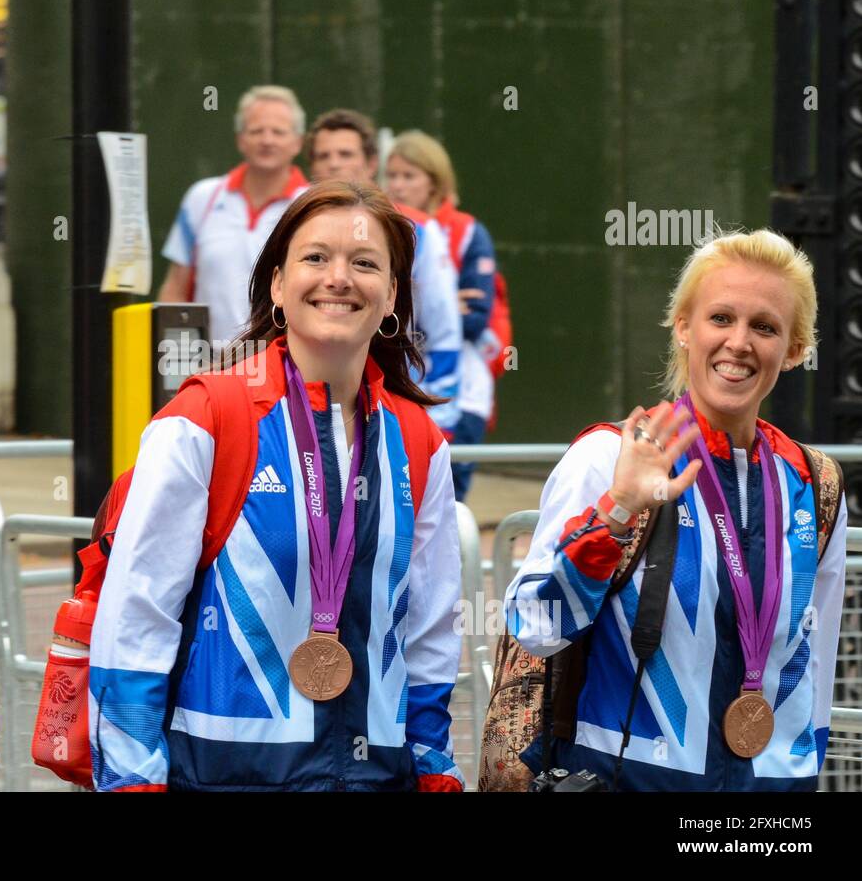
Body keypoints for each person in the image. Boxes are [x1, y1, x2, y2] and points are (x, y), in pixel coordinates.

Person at [89, 180, 465, 791]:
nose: (339, 278)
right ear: (277, 285)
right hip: (223, 775)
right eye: (316, 257)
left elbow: (427, 634)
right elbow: (137, 614)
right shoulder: (205, 420)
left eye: (365, 263)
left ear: (392, 293)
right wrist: (132, 778)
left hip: (375, 777)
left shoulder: (422, 443)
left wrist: (433, 768)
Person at [505, 230, 845, 790]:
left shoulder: (814, 482)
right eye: (720, 318)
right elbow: (537, 629)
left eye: (764, 327)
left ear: (794, 350)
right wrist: (616, 512)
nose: (739, 342)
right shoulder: (607, 457)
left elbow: (817, 668)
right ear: (683, 327)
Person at [306, 110, 462, 435]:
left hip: (389, 408)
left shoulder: (416, 229)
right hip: (303, 407)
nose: (334, 164)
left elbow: (444, 330)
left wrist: (437, 421)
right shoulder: (290, 225)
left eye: (345, 154)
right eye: (323, 156)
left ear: (371, 162)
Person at [385, 131, 501, 500]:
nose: (398, 186)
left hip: (460, 391)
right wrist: (447, 300)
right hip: (400, 383)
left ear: (434, 181)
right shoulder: (384, 226)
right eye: (393, 176)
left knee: (448, 503)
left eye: (409, 176)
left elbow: (474, 318)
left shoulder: (467, 231)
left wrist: (439, 304)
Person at [157, 85, 309, 348]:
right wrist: (173, 362)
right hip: (209, 367)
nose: (267, 140)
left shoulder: (311, 205)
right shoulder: (202, 198)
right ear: (240, 139)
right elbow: (175, 288)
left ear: (297, 142)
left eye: (278, 132)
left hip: (285, 365)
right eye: (256, 131)